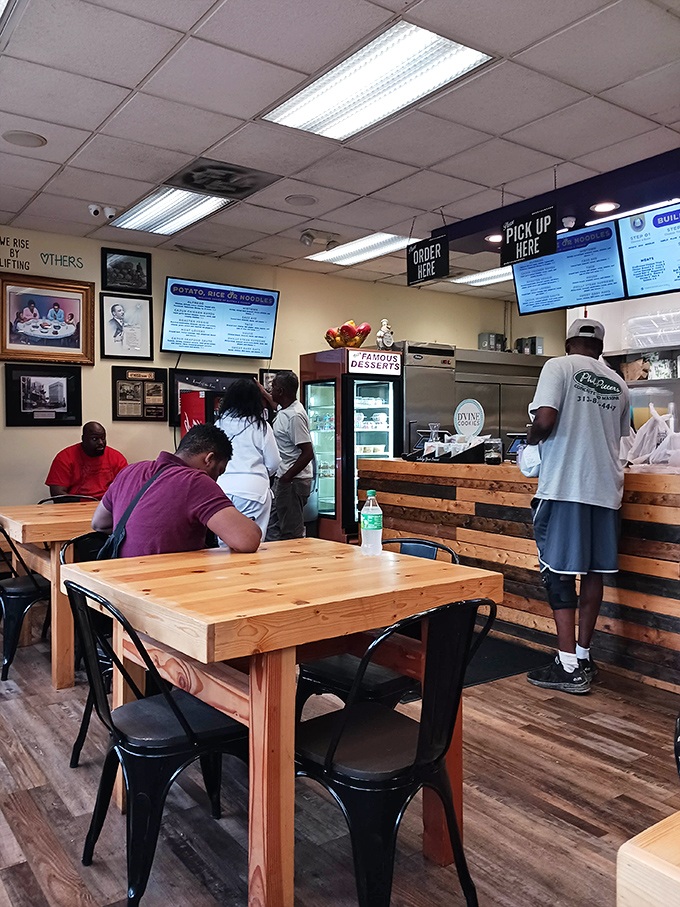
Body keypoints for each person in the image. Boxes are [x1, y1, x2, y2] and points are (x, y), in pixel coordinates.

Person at [524, 319, 630, 694]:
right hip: (606, 492)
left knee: (559, 572)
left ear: (568, 341)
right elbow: (622, 439)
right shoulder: (618, 383)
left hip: (566, 486)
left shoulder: (558, 366)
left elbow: (546, 418)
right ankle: (583, 656)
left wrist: (530, 440)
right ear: (599, 348)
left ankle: (567, 666)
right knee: (593, 572)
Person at [91, 423, 261, 556]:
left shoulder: (130, 470)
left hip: (116, 588)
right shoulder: (196, 481)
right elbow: (246, 540)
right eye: (219, 472)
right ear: (209, 459)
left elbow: (99, 523)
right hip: (164, 589)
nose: (216, 479)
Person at [214, 378, 280, 544]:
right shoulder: (261, 426)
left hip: (222, 489)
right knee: (252, 542)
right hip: (253, 491)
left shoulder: (218, 424)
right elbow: (274, 462)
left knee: (224, 543)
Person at [262, 370, 314, 541]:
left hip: (292, 481)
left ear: (282, 391)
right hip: (284, 479)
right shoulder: (285, 409)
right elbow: (274, 403)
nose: (271, 391)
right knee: (273, 526)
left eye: (273, 387)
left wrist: (286, 478)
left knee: (291, 531)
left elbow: (308, 452)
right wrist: (259, 389)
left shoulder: (294, 416)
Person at [45, 422, 128, 499]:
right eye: (95, 439)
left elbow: (127, 488)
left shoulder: (117, 458)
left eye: (103, 438)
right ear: (83, 439)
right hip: (76, 507)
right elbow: (57, 494)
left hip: (107, 506)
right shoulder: (65, 457)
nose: (100, 443)